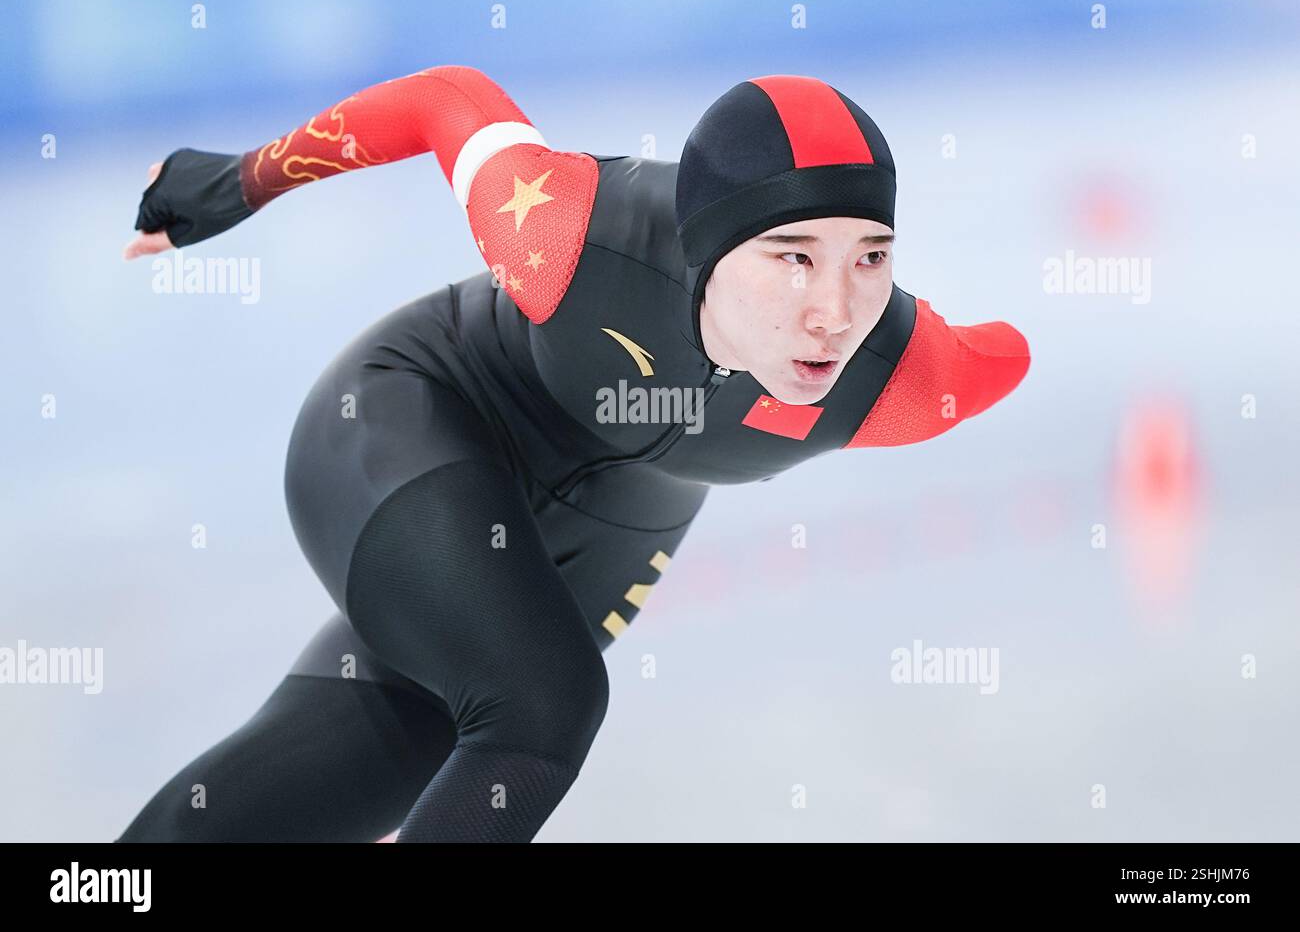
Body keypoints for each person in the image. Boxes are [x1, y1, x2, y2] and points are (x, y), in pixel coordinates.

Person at [116, 65, 1030, 842]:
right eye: (792, 256)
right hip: (421, 418)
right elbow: (446, 97)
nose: (835, 312)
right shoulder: (574, 233)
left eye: (871, 257)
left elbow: (1009, 352)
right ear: (704, 251)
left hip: (607, 540)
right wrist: (236, 183)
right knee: (540, 707)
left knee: (291, 794)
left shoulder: (904, 377)